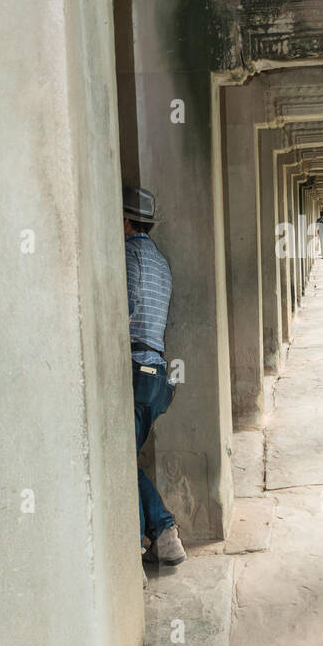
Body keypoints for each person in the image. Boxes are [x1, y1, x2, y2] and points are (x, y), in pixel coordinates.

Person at [123, 186, 186, 567]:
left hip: (134, 372)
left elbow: (124, 310)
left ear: (126, 221)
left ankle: (152, 539)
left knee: (121, 463)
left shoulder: (128, 257)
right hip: (157, 376)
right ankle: (164, 538)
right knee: (126, 460)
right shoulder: (160, 261)